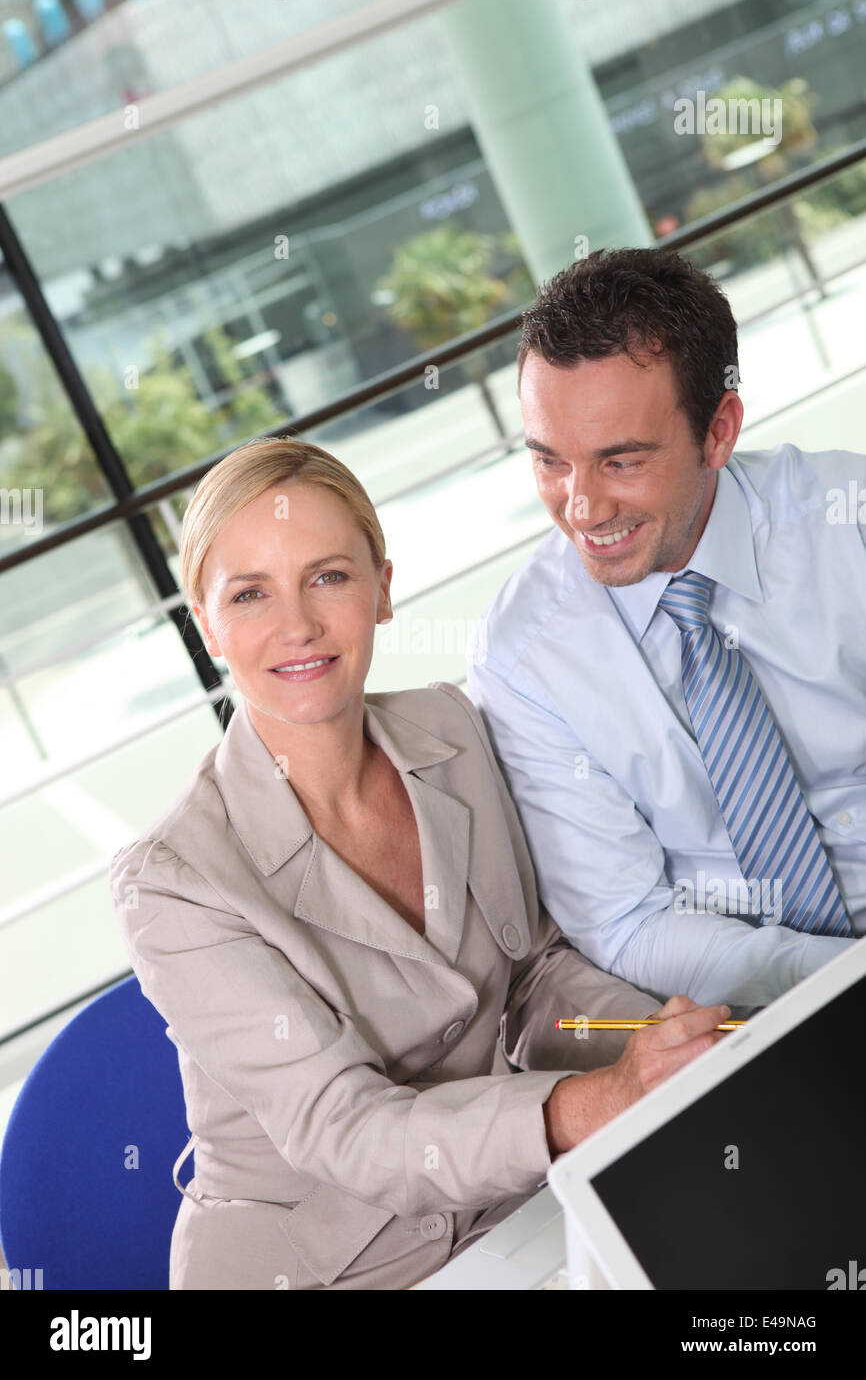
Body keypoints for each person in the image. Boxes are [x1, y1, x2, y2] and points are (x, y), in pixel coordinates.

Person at [109, 435, 728, 1291]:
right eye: (250, 594)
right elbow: (348, 1129)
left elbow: (535, 978)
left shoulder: (451, 730)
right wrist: (593, 1104)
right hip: (327, 1270)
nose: (298, 625)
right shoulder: (173, 880)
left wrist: (664, 1041)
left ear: (383, 589)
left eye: (328, 576)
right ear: (206, 626)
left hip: (509, 1210)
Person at [467, 246, 865, 1017]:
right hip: (758, 1015)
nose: (581, 508)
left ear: (719, 431)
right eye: (550, 461)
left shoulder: (847, 521)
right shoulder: (524, 656)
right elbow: (626, 918)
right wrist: (833, 985)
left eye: (620, 461)